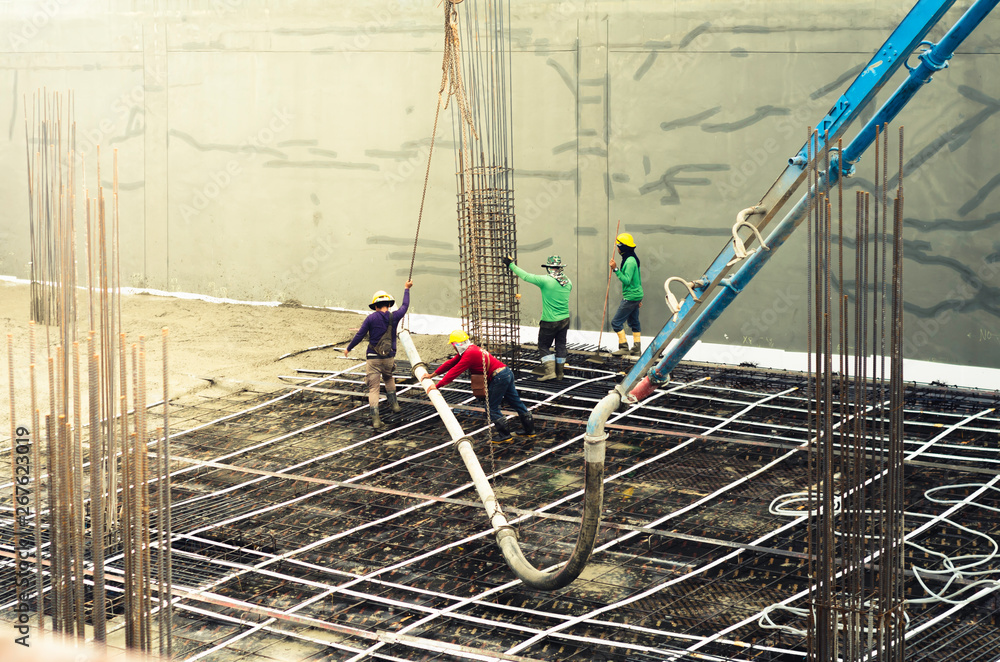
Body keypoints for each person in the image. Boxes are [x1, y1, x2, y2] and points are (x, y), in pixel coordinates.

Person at [427, 330, 535, 443]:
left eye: (453, 345)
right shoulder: (471, 349)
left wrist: (438, 385)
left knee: (491, 407)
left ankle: (505, 435)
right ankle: (530, 430)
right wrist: (433, 375)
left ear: (458, 345)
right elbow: (450, 363)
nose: (453, 348)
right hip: (506, 372)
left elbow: (455, 371)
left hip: (499, 377)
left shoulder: (469, 354)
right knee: (515, 402)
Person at [344, 280, 413, 429]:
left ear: (375, 306)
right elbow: (405, 306)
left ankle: (376, 418)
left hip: (373, 359)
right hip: (388, 357)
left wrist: (348, 348)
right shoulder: (394, 317)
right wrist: (406, 289)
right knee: (388, 377)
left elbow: (360, 335)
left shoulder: (370, 318)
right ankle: (394, 405)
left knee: (374, 388)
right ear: (388, 305)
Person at [503, 254, 572, 381]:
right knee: (561, 345)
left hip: (549, 321)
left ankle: (550, 372)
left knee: (543, 345)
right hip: (565, 319)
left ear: (549, 268)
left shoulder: (546, 281)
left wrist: (510, 265)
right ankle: (560, 373)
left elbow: (526, 276)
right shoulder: (568, 282)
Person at [609, 232, 644, 356]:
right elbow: (637, 279)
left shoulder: (629, 262)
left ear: (623, 247)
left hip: (631, 296)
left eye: (618, 246)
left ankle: (624, 347)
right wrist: (639, 298)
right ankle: (636, 348)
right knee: (634, 322)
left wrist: (615, 269)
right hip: (636, 295)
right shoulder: (632, 258)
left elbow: (627, 280)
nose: (617, 248)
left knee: (616, 322)